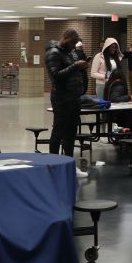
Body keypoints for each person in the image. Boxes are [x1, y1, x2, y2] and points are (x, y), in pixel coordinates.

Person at [45, 28, 89, 178]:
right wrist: (76, 66)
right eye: (73, 43)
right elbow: (56, 76)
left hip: (74, 97)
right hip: (61, 98)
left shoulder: (71, 52)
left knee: (71, 132)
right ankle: (53, 165)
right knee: (59, 131)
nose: (74, 46)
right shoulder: (53, 53)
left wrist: (81, 67)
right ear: (66, 39)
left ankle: (69, 165)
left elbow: (73, 71)